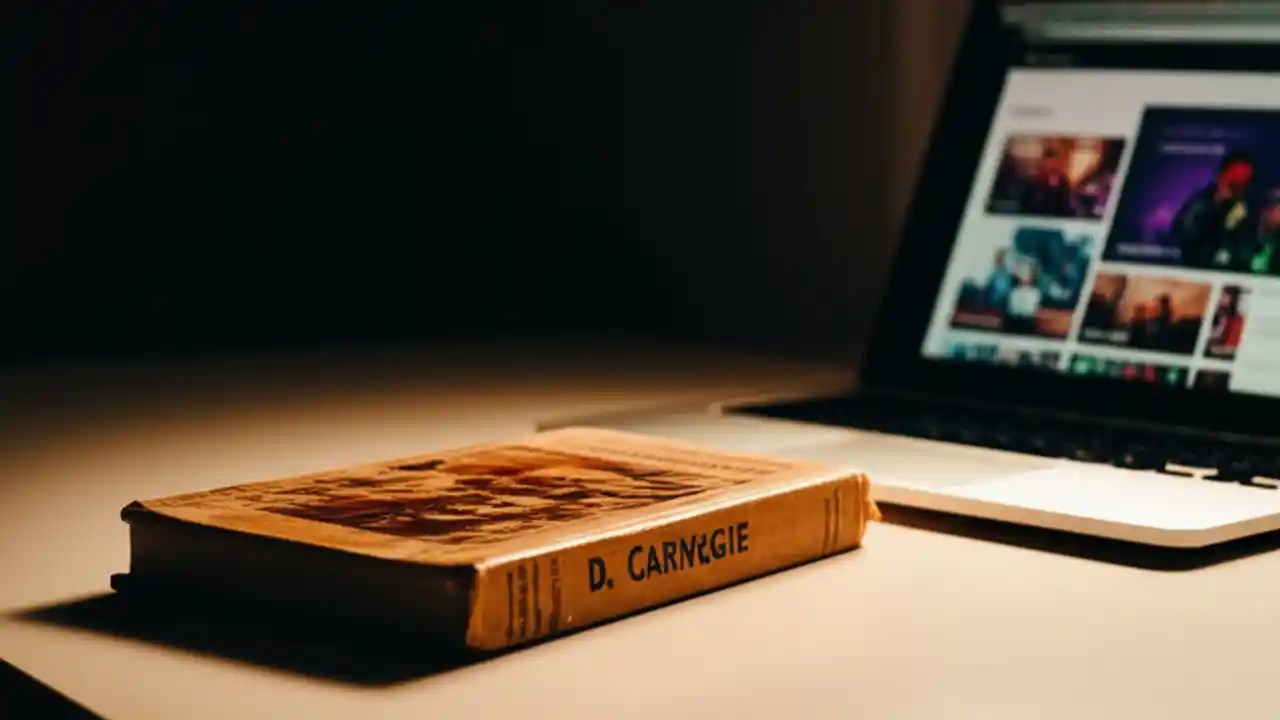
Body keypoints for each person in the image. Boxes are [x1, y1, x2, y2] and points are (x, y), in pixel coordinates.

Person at [1170, 151, 1257, 269]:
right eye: (1233, 183)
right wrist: (1216, 209)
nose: (1238, 189)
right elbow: (1184, 235)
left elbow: (1246, 253)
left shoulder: (1248, 211)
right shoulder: (1200, 204)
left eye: (1244, 183)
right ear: (1220, 177)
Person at [1018, 146, 1075, 217]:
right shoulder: (1032, 180)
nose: (1052, 166)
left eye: (1055, 163)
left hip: (1057, 217)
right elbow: (1026, 204)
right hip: (1036, 216)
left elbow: (1066, 203)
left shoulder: (1062, 180)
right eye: (1049, 163)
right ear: (1042, 162)